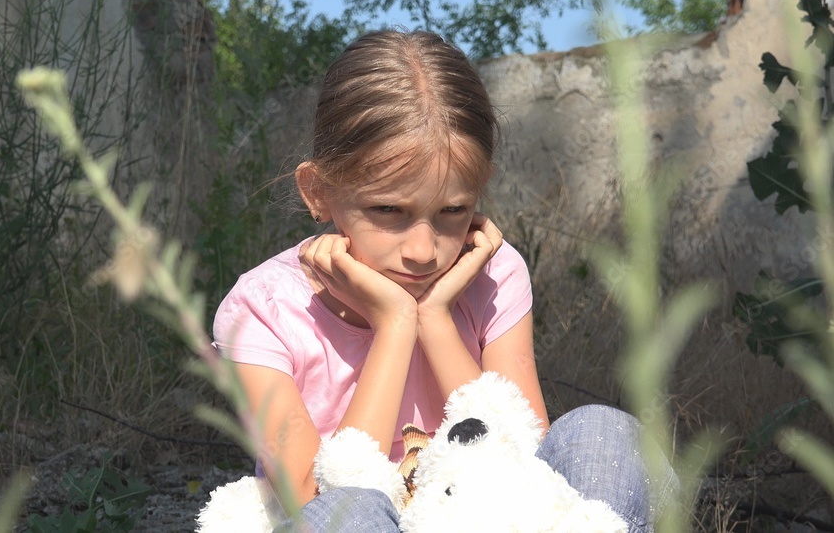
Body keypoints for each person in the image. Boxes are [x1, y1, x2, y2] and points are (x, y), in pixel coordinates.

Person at [211, 30, 677, 532]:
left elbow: (529, 468)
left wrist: (434, 318)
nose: (422, 251)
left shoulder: (494, 275)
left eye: (453, 211)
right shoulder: (261, 312)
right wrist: (393, 325)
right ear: (319, 191)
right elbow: (317, 499)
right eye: (387, 210)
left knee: (606, 434)